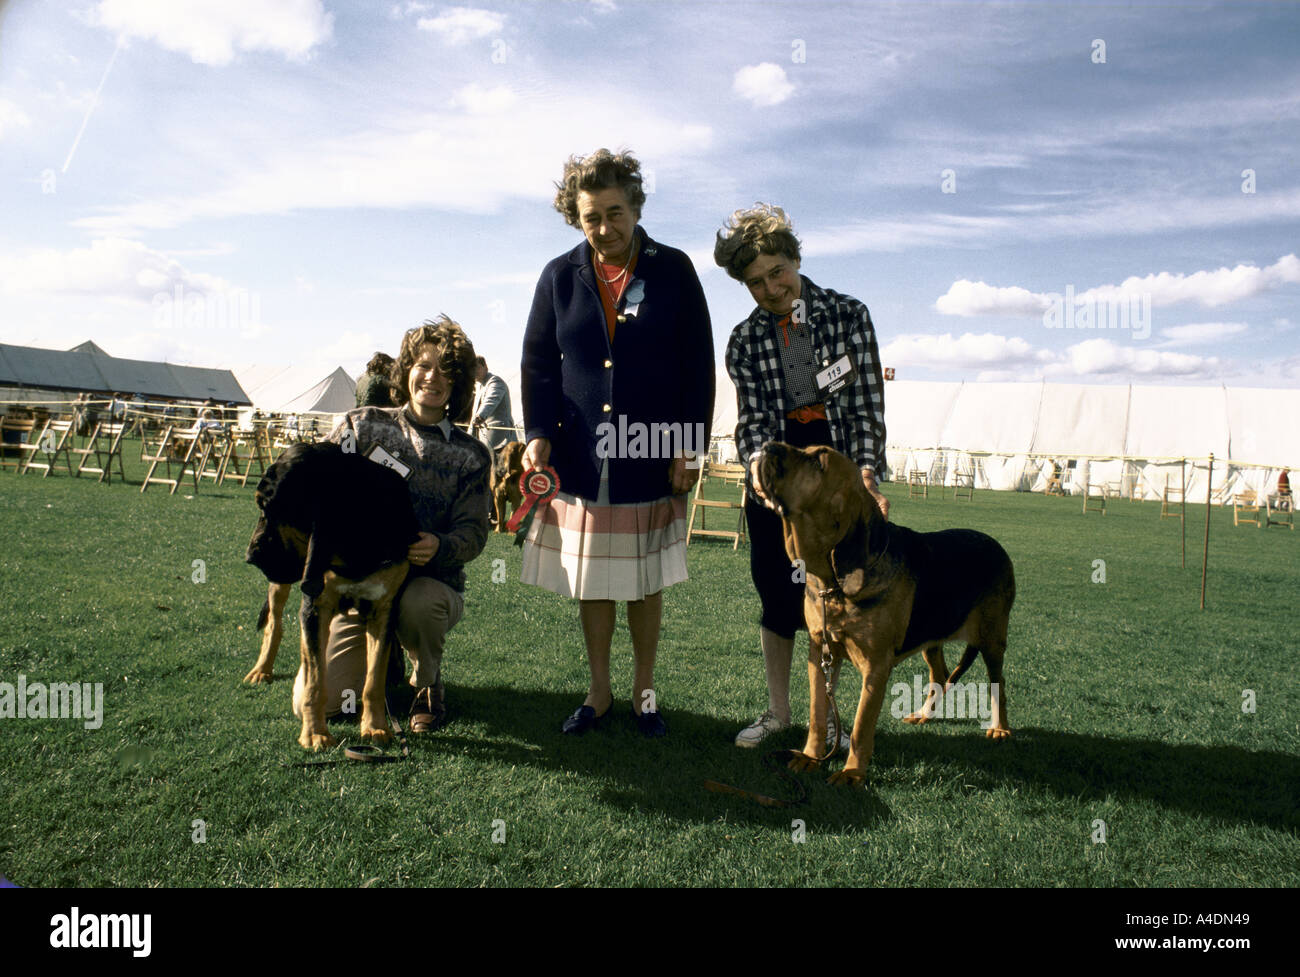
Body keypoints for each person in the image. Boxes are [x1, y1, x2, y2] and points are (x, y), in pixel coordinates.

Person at [520, 148, 714, 738]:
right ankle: (599, 693)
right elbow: (538, 365)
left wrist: (687, 446)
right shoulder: (558, 274)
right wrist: (537, 436)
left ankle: (645, 694)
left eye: (614, 212)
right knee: (593, 581)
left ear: (635, 207)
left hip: (651, 452)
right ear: (575, 218)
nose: (604, 227)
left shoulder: (674, 269)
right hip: (580, 456)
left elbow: (698, 366)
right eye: (590, 217)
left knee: (644, 581)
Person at [714, 203, 888, 749]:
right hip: (780, 475)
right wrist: (760, 474)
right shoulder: (744, 343)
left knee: (836, 597)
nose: (770, 289)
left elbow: (863, 406)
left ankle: (829, 719)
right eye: (755, 282)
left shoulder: (849, 315)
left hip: (836, 471)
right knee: (777, 592)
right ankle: (779, 712)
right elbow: (755, 422)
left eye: (777, 272)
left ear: (795, 258)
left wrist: (865, 476)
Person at [293, 316, 492, 733]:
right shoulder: (362, 425)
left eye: (446, 370)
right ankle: (386, 660)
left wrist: (441, 545)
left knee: (418, 605)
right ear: (407, 370)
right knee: (325, 705)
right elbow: (317, 477)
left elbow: (474, 534)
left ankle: (427, 683)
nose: (432, 377)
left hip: (428, 586)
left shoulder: (472, 455)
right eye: (423, 365)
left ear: (458, 384)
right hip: (355, 586)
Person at [469, 356, 516, 453]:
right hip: (485, 436)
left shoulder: (495, 382)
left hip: (500, 438)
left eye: (477, 367)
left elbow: (490, 401)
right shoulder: (479, 386)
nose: (474, 371)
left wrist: (479, 417)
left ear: (485, 367)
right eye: (472, 369)